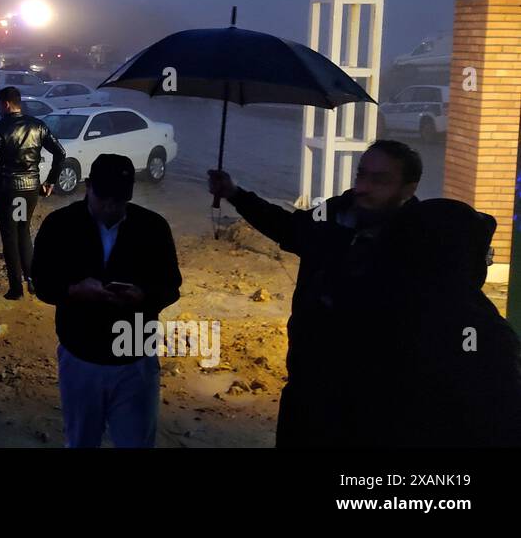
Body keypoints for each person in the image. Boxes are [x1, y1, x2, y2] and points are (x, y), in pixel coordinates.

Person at [207, 139, 422, 448]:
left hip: (371, 401)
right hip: (306, 382)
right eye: (361, 175)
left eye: (379, 180)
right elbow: (290, 228)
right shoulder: (336, 212)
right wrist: (235, 194)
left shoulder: (418, 240)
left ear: (408, 189)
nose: (363, 186)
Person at [32, 154, 182, 447]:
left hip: (135, 358)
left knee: (136, 441)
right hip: (81, 355)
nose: (111, 207)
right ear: (88, 186)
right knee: (81, 440)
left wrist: (143, 296)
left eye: (120, 200)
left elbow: (171, 286)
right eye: (104, 198)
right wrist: (74, 290)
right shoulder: (60, 225)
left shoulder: (153, 227)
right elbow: (42, 284)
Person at [362, 198, 521, 447]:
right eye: (483, 254)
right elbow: (501, 420)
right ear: (459, 259)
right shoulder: (477, 328)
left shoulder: (366, 303)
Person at [0, 86, 65, 300]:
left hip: (7, 191)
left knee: (10, 238)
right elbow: (61, 153)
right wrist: (51, 181)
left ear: (6, 104)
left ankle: (15, 290)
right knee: (24, 233)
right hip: (29, 190)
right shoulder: (38, 126)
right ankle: (32, 281)